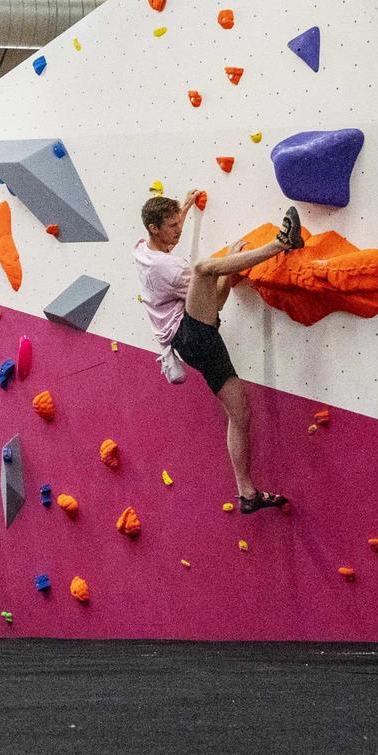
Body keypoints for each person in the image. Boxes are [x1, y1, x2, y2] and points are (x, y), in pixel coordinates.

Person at [134, 192, 303, 514]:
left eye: (178, 223)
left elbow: (171, 228)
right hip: (192, 335)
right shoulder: (168, 269)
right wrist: (229, 265)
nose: (178, 231)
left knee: (240, 415)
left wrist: (184, 207)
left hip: (197, 344)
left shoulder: (142, 250)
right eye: (171, 227)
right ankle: (283, 243)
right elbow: (215, 303)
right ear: (154, 228)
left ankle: (247, 493)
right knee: (203, 268)